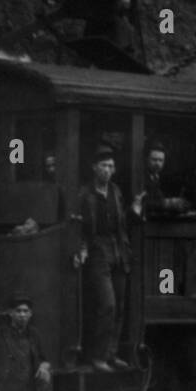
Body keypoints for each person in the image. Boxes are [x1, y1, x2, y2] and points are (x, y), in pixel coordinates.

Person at [75, 145, 131, 371]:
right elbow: (78, 226)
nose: (108, 170)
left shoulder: (116, 192)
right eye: (103, 166)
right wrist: (82, 248)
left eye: (111, 166)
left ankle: (110, 354)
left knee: (119, 305)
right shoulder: (85, 194)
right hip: (97, 250)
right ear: (94, 168)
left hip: (118, 251)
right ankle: (96, 356)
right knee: (106, 304)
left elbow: (121, 224)